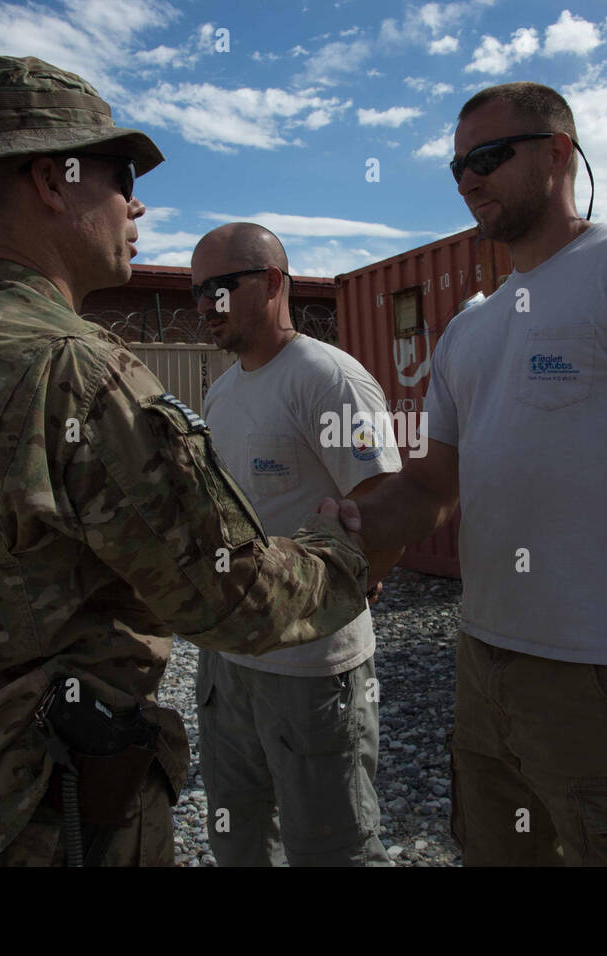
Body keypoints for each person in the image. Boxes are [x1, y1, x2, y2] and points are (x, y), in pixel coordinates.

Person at [0, 53, 370, 868]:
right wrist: (346, 550)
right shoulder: (74, 371)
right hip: (61, 812)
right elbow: (236, 599)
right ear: (52, 180)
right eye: (120, 175)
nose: (137, 202)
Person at [350, 82, 607, 865]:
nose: (468, 180)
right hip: (483, 666)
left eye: (488, 158)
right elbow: (431, 488)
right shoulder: (471, 329)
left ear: (559, 153)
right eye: (457, 166)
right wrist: (352, 529)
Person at [191, 222, 403, 866]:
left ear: (274, 283)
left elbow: (385, 505)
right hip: (229, 664)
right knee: (240, 836)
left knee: (330, 846)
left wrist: (356, 589)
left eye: (221, 287)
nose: (205, 305)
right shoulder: (222, 392)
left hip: (311, 672)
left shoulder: (327, 379)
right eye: (196, 291)